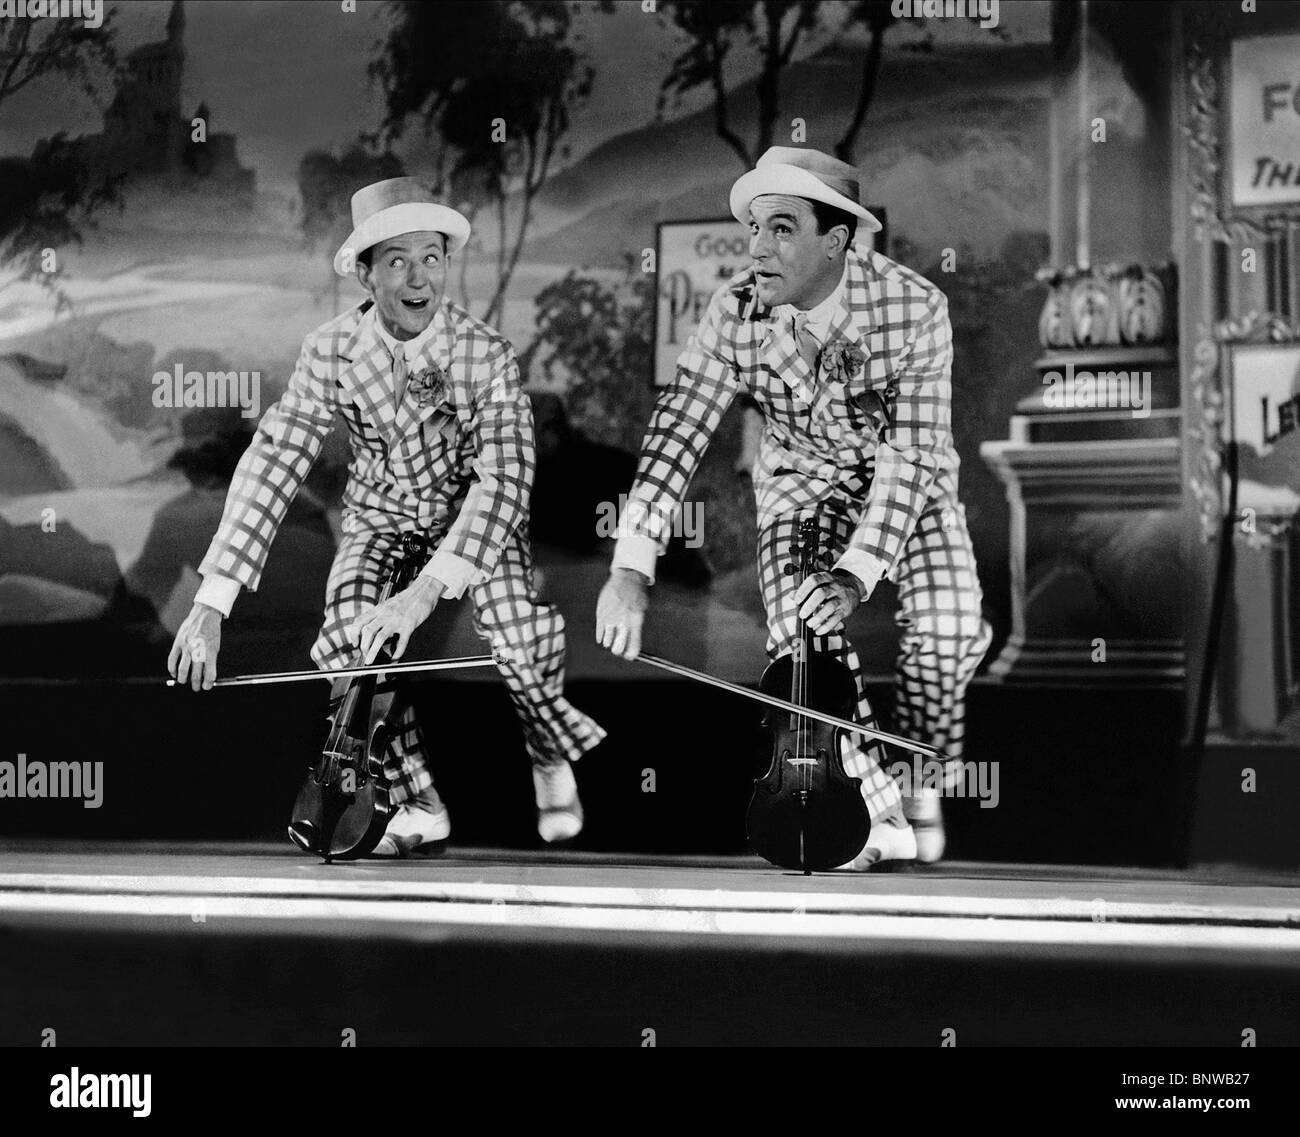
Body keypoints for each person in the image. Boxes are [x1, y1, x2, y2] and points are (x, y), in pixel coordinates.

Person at [168, 177, 604, 855]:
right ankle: (417, 800)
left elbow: (505, 480)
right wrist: (211, 604)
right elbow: (274, 460)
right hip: (379, 516)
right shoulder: (329, 350)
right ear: (366, 275)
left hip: (470, 522)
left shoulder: (485, 354)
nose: (419, 276)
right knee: (347, 636)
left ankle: (549, 752)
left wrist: (422, 593)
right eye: (397, 260)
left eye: (431, 257)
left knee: (521, 631)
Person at [595, 147, 991, 869]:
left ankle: (922, 776)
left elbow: (911, 457)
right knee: (798, 631)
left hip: (908, 488)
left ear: (835, 240)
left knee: (949, 627)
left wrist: (856, 574)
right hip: (799, 486)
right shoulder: (734, 309)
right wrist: (631, 568)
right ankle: (872, 804)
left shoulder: (914, 307)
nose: (758, 247)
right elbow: (678, 430)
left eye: (781, 228)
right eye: (753, 227)